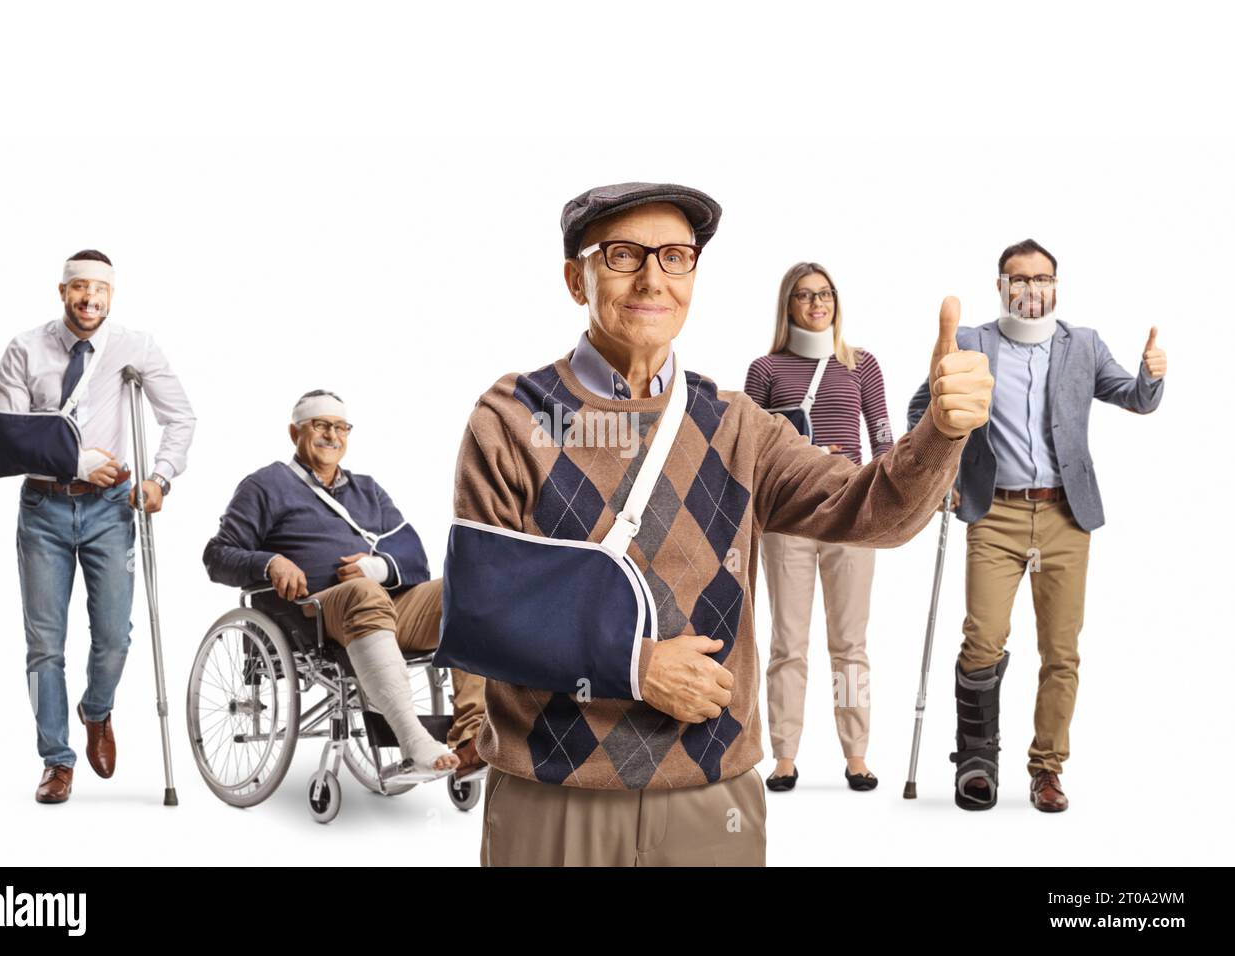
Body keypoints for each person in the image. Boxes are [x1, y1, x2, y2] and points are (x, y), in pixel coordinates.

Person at [441, 182, 991, 865]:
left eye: (676, 257)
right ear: (574, 280)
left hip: (710, 797)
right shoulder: (512, 419)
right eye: (621, 255)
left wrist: (939, 433)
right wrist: (637, 667)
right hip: (552, 796)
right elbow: (478, 617)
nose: (653, 278)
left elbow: (872, 510)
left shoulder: (736, 426)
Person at [907, 238, 1167, 812]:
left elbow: (1136, 400)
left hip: (1064, 514)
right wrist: (938, 471)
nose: (1031, 289)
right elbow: (923, 406)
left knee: (1060, 651)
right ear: (1000, 286)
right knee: (983, 640)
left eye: (1041, 278)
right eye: (1019, 279)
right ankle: (976, 761)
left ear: (1057, 285)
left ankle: (1047, 770)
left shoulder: (1084, 345)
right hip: (993, 511)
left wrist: (1151, 377)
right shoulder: (974, 342)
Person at [0, 249, 197, 804]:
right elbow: (9, 438)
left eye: (99, 289)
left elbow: (180, 417)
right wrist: (76, 461)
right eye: (79, 288)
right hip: (44, 509)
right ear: (62, 292)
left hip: (111, 509)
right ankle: (56, 760)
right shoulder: (25, 349)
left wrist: (160, 478)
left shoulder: (136, 346)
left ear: (112, 294)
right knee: (45, 644)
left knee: (113, 636)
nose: (89, 299)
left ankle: (96, 710)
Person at [202, 389, 487, 776]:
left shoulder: (368, 490)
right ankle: (413, 737)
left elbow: (415, 559)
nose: (331, 435)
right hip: (314, 613)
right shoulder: (265, 486)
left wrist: (379, 567)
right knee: (362, 592)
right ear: (294, 432)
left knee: (470, 587)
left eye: (340, 427)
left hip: (389, 605)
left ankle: (472, 740)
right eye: (320, 425)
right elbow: (217, 556)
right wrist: (269, 562)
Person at [744, 261, 894, 793]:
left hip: (851, 513)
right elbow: (749, 449)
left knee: (850, 644)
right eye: (805, 296)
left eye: (825, 294)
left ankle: (857, 754)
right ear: (788, 305)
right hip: (788, 517)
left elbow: (883, 438)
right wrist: (803, 456)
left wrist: (898, 496)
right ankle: (784, 755)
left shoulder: (862, 365)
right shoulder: (765, 370)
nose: (816, 304)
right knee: (788, 643)